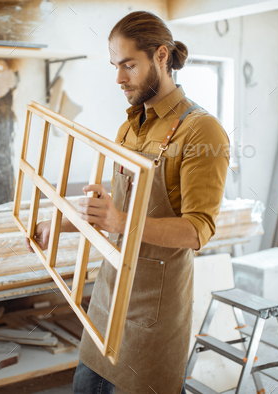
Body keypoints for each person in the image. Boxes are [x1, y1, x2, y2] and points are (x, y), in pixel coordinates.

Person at [26, 10, 230, 394]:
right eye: (115, 66)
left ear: (162, 57)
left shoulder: (201, 130)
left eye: (129, 65)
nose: (119, 78)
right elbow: (111, 209)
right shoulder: (130, 125)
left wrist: (123, 223)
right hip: (107, 301)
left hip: (154, 315)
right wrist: (59, 226)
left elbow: (198, 230)